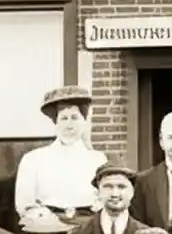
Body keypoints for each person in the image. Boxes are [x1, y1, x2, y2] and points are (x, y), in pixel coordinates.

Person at [14, 85, 108, 224]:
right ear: (56, 123)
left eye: (74, 118)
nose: (69, 125)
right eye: (64, 118)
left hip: (88, 227)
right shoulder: (34, 160)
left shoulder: (97, 160)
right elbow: (24, 204)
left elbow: (105, 197)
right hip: (47, 228)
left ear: (84, 122)